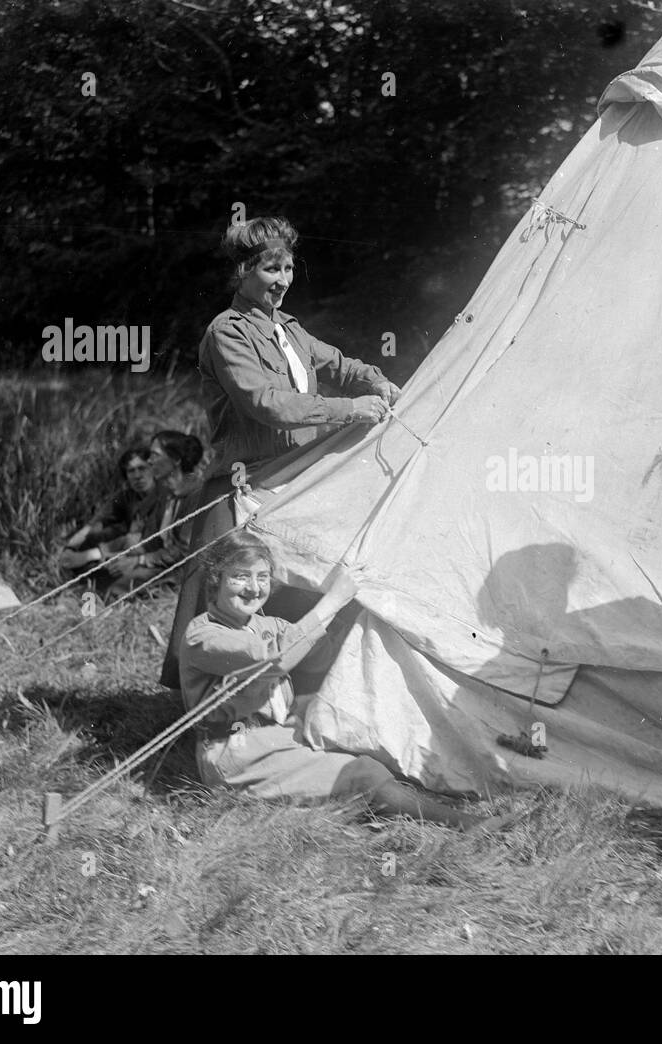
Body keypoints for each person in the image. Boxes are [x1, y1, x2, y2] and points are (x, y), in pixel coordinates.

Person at [160, 216, 401, 689]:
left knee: (299, 588)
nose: (284, 280)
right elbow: (267, 403)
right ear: (243, 272)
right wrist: (348, 410)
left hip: (300, 479)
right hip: (248, 483)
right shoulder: (227, 333)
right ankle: (220, 706)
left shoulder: (289, 329)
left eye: (289, 268)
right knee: (238, 596)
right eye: (272, 269)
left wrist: (375, 380)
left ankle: (302, 689)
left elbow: (340, 364)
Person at [181, 530, 511, 829]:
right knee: (363, 775)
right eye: (240, 577)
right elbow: (274, 658)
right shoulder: (204, 633)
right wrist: (333, 600)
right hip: (236, 756)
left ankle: (378, 800)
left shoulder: (266, 625)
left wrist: (356, 612)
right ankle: (468, 825)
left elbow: (319, 653)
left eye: (262, 576)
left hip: (280, 739)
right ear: (215, 577)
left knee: (367, 745)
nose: (254, 588)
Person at [62, 431, 206, 601]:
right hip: (159, 562)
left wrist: (139, 560)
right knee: (102, 574)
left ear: (176, 460)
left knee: (116, 591)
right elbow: (150, 539)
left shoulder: (197, 496)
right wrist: (124, 557)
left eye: (155, 455)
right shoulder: (166, 494)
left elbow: (183, 552)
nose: (150, 460)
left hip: (184, 572)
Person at [59, 447, 158, 569]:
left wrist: (90, 555)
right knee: (95, 534)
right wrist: (69, 549)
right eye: (131, 471)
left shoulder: (165, 495)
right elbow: (93, 523)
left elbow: (141, 541)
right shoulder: (127, 496)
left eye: (142, 468)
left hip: (151, 554)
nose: (137, 476)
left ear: (153, 469)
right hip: (129, 548)